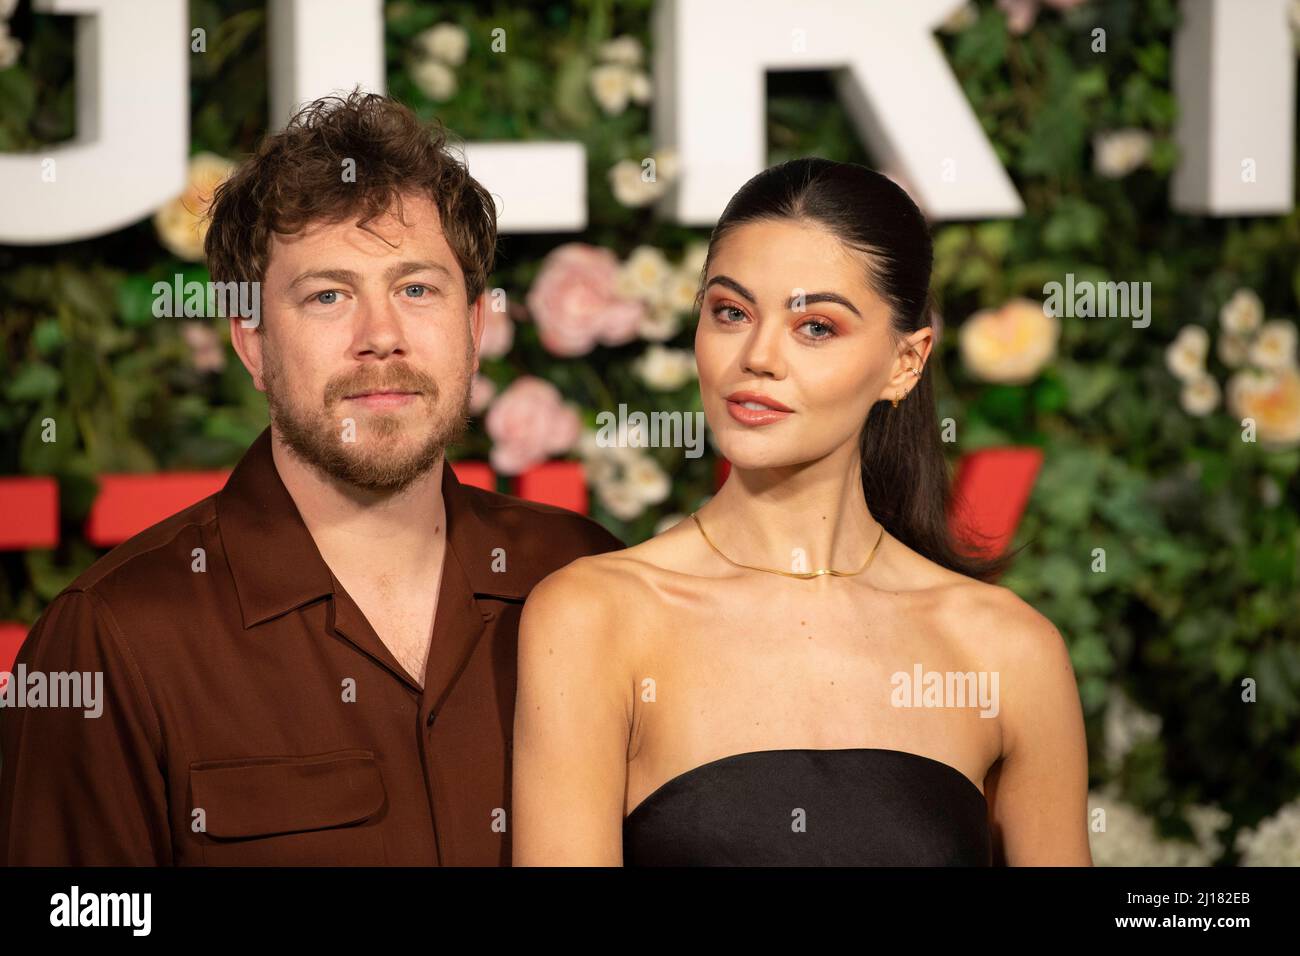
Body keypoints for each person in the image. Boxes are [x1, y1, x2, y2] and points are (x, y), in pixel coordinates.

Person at [0, 91, 622, 865]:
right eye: (328, 296)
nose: (381, 338)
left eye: (417, 289)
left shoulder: (583, 575)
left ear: (474, 327)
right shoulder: (113, 639)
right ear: (252, 344)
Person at [511, 158, 1092, 866]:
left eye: (815, 327)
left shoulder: (1006, 651)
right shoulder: (595, 618)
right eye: (731, 313)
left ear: (906, 364)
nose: (757, 357)